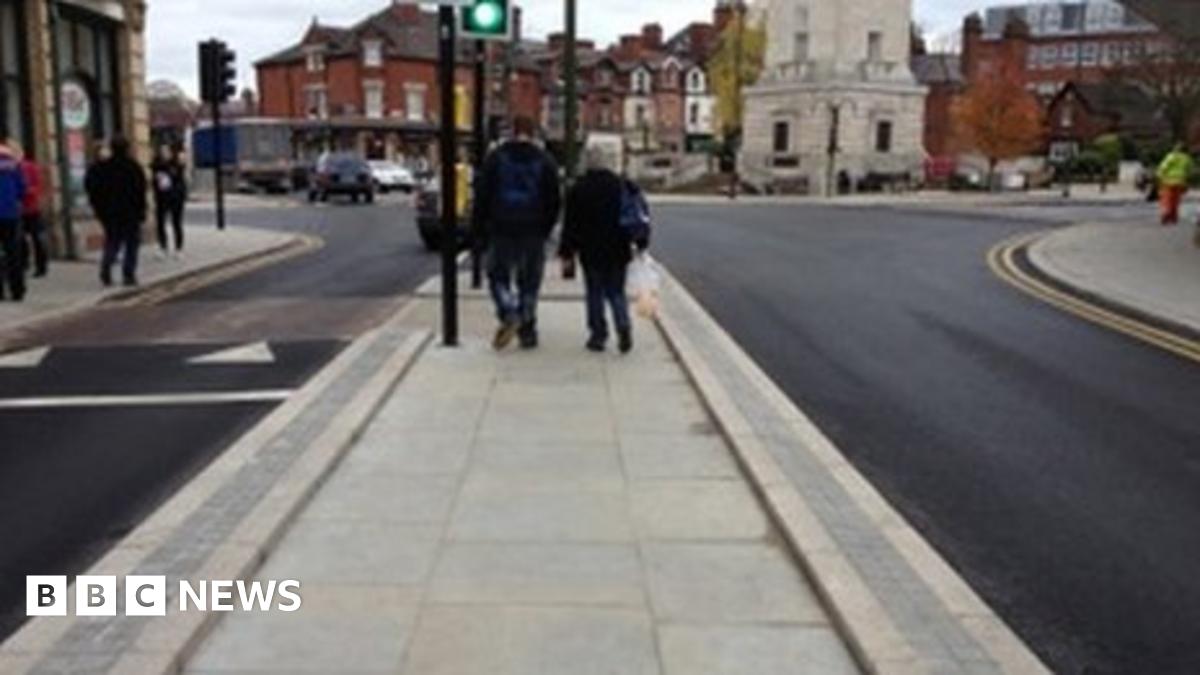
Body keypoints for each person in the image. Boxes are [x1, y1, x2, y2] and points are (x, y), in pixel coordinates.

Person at [473, 116, 561, 350]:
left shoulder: (496, 158)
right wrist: (546, 227)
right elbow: (554, 199)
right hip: (533, 229)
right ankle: (528, 329)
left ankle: (508, 311)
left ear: (512, 131)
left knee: (497, 277)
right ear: (533, 132)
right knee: (529, 282)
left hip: (501, 226)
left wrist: (480, 227)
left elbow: (482, 195)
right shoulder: (544, 160)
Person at [559, 147, 651, 354]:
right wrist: (640, 241)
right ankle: (623, 324)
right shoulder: (621, 185)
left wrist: (567, 251)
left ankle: (598, 335)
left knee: (594, 292)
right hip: (618, 247)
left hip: (590, 248)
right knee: (616, 291)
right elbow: (638, 212)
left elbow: (571, 223)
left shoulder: (579, 188)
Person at [85, 135, 147, 287]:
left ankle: (106, 269)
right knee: (132, 244)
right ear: (127, 148)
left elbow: (91, 188)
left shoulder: (101, 168)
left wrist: (98, 208)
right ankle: (128, 275)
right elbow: (141, 191)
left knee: (112, 241)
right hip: (131, 212)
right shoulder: (133, 167)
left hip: (109, 213)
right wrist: (142, 211)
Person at [0, 129, 27, 301]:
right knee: (13, 252)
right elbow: (21, 188)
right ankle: (17, 289)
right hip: (10, 212)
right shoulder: (12, 162)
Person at [150, 144, 187, 257]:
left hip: (175, 198)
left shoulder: (177, 164)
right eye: (162, 151)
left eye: (166, 151)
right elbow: (154, 181)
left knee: (177, 223)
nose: (164, 153)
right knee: (160, 223)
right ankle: (163, 247)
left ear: (171, 153)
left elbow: (180, 181)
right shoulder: (156, 166)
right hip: (161, 198)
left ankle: (178, 248)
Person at [17, 147, 48, 278]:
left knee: (36, 238)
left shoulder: (30, 167)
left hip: (31, 208)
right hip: (17, 209)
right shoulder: (11, 168)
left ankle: (41, 266)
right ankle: (24, 264)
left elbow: (39, 186)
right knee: (20, 239)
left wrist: (27, 191)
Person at [1156, 143, 1194, 226]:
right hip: (1180, 182)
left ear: (1175, 149)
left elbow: (1163, 167)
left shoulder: (1171, 156)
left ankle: (1166, 213)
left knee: (1167, 199)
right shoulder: (1187, 159)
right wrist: (1188, 182)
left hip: (1167, 181)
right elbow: (1190, 171)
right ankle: (1174, 217)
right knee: (1176, 200)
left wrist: (1159, 176)